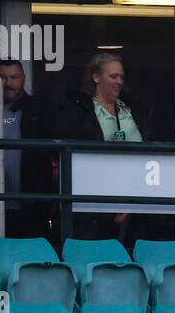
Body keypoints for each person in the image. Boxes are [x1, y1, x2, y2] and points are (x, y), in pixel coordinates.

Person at [56, 53, 149, 240]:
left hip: (131, 189)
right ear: (96, 77)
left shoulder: (129, 107)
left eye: (121, 77)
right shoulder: (78, 109)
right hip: (91, 195)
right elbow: (67, 148)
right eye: (113, 76)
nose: (119, 81)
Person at [0, 59, 57, 242]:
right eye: (3, 78)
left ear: (23, 79)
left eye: (14, 77)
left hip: (31, 203)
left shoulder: (41, 109)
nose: (8, 83)